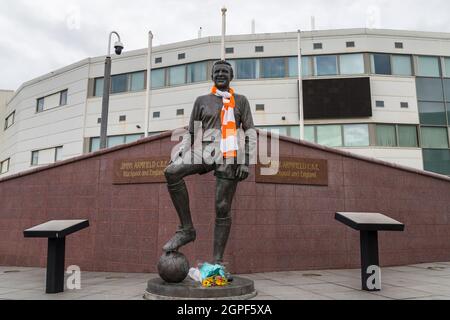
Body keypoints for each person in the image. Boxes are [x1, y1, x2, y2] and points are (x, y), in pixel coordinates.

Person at [163, 60, 255, 266]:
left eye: (225, 71)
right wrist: (180, 152)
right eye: (217, 71)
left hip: (230, 156)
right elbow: (192, 132)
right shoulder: (201, 100)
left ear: (231, 76)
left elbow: (250, 132)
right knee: (171, 172)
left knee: (222, 207)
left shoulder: (240, 101)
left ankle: (218, 261)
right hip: (206, 152)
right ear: (212, 76)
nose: (221, 74)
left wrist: (245, 162)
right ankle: (186, 229)